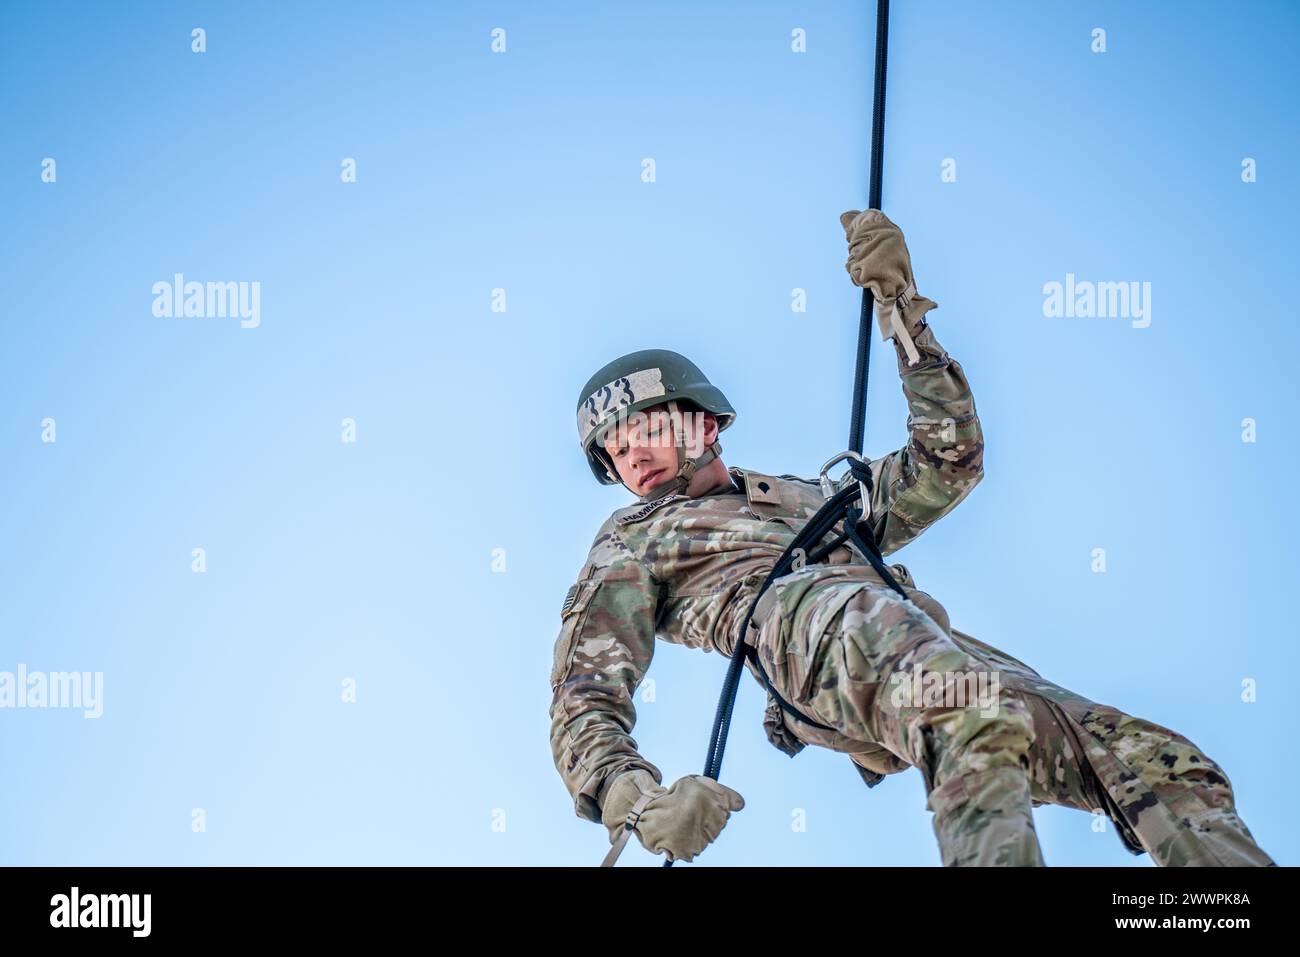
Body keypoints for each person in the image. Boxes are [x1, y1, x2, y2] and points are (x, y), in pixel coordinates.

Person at [548, 209, 1275, 867]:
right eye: (614, 450)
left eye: (644, 428)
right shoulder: (632, 540)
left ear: (704, 422)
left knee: (1160, 763)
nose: (632, 456)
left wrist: (902, 316)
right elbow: (584, 695)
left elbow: (946, 464)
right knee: (966, 709)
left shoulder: (807, 499)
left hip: (915, 632)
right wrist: (633, 799)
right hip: (805, 629)